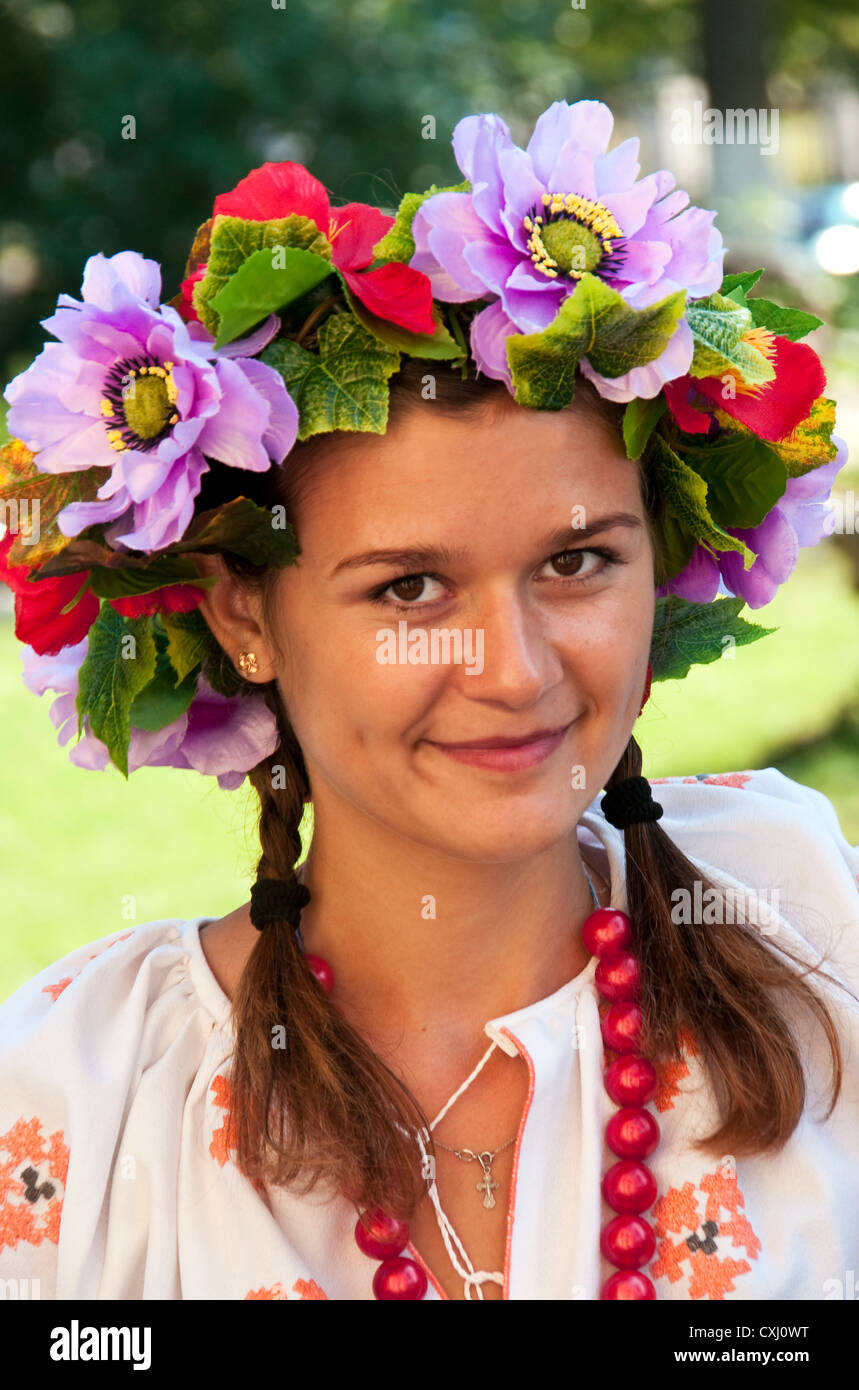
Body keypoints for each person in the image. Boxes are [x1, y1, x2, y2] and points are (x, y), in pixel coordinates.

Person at [0, 99, 856, 1302]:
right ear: (243, 615)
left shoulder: (809, 939)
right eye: (407, 586)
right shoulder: (77, 1101)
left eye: (575, 562)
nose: (511, 670)